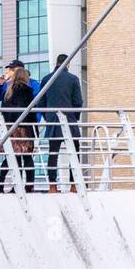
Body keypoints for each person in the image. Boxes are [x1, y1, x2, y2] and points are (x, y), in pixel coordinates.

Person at [39, 54, 84, 193]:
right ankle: (73, 185)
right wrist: (74, 117)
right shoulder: (73, 79)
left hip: (53, 121)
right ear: (68, 64)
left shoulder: (46, 79)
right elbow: (78, 102)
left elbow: (41, 102)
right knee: (74, 153)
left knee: (53, 153)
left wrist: (48, 117)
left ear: (56, 63)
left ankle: (52, 186)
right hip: (69, 120)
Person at [0, 66, 37, 193]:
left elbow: (3, 111)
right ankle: (28, 185)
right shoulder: (28, 91)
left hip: (10, 128)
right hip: (24, 128)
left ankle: (4, 182)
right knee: (27, 157)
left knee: (12, 157)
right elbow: (31, 113)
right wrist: (35, 129)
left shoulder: (8, 91)